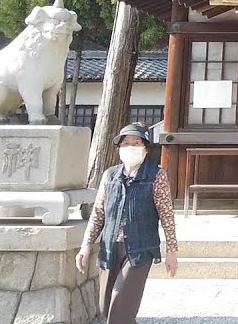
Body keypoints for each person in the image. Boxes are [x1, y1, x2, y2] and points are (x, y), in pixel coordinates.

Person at [76, 123, 178, 324]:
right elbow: (98, 213)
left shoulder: (156, 176)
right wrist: (86, 245)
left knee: (121, 301)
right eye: (126, 143)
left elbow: (166, 215)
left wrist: (172, 251)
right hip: (110, 246)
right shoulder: (110, 175)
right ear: (119, 148)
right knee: (106, 306)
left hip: (140, 248)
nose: (130, 147)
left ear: (145, 148)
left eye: (136, 143)